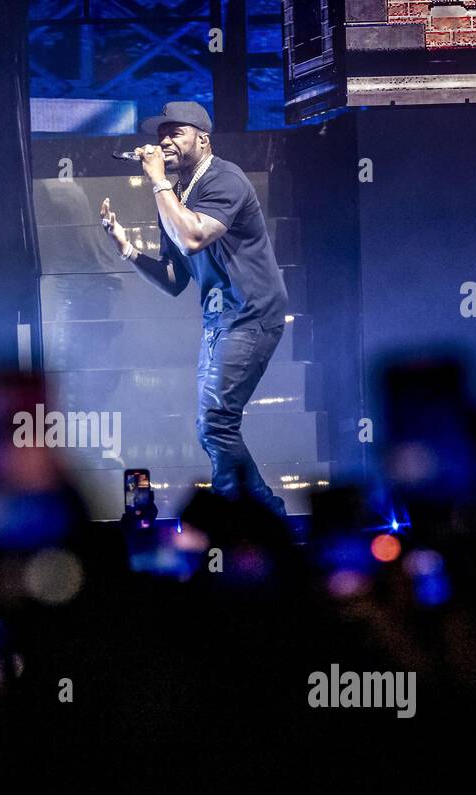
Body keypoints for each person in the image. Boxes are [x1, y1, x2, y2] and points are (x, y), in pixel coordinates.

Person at [100, 101, 290, 519]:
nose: (164, 141)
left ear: (203, 139)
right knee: (212, 425)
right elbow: (174, 279)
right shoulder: (175, 194)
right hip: (219, 319)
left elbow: (192, 238)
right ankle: (259, 515)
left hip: (251, 312)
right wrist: (127, 248)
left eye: (176, 133)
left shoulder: (225, 179)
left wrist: (157, 182)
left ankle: (241, 517)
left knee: (216, 422)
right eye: (160, 135)